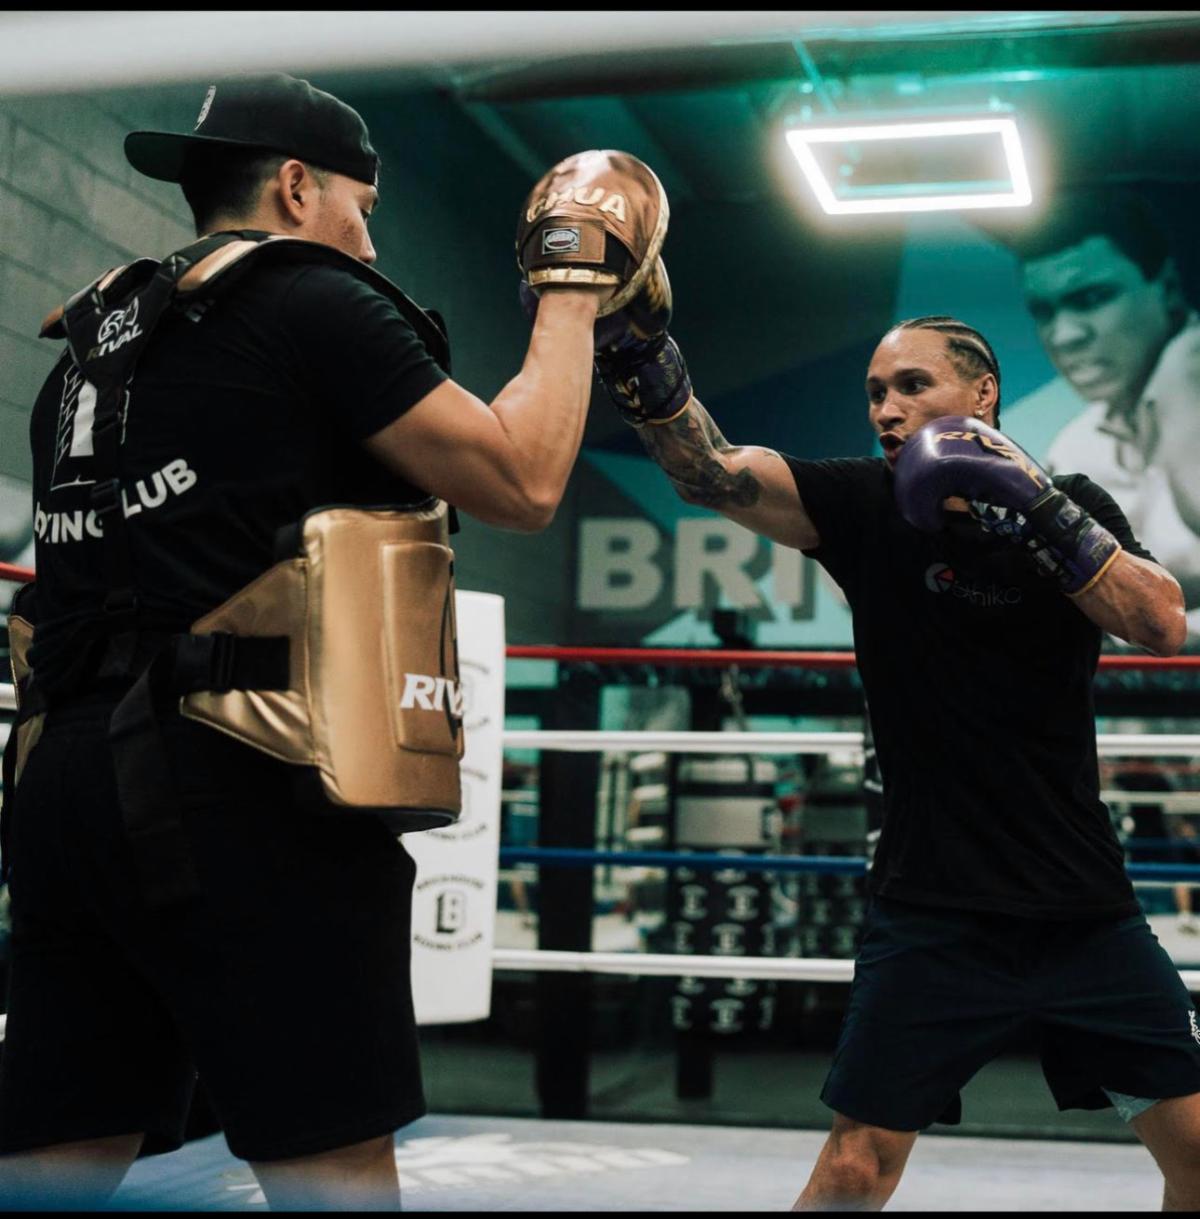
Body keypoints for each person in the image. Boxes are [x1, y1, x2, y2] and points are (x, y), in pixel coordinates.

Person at [0, 77, 622, 1210]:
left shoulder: (86, 353)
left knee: (60, 1147)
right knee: (330, 1160)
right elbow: (521, 479)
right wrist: (573, 286)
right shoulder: (308, 301)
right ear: (297, 186)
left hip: (65, 782)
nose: (368, 238)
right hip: (243, 776)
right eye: (362, 207)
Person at [594, 312, 1200, 1209]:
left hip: (1082, 908)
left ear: (983, 393)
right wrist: (635, 353)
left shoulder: (1073, 501)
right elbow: (708, 472)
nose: (887, 408)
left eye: (913, 385)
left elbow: (1161, 622)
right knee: (856, 1166)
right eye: (876, 391)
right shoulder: (863, 504)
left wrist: (1031, 501)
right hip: (932, 911)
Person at [1007, 190, 1200, 634]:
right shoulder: (1077, 447)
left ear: (1169, 289)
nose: (1064, 336)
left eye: (1092, 298)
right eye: (1043, 311)